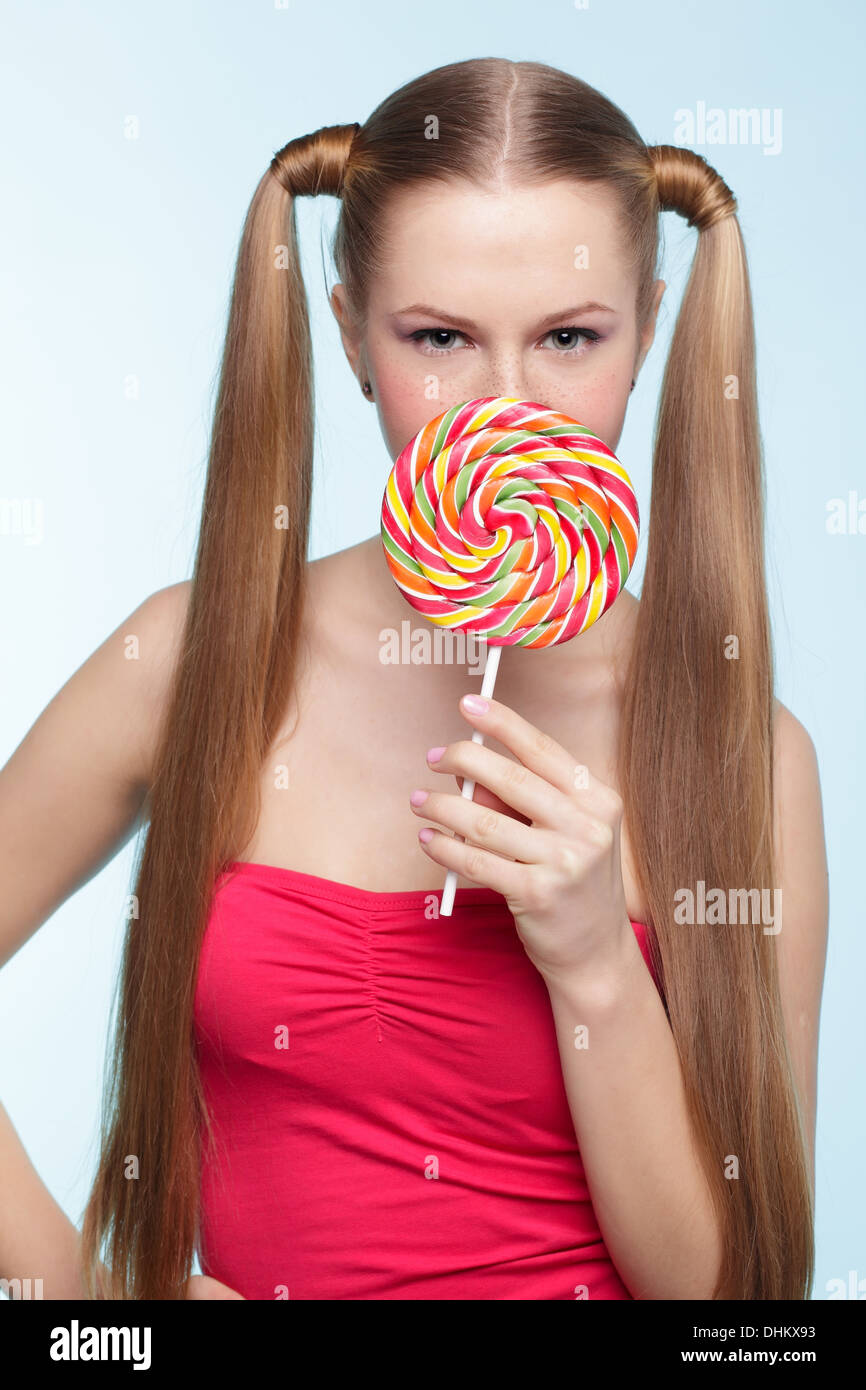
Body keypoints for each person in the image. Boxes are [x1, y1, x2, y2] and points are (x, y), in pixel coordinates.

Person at [0, 58, 827, 1301]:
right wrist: (90, 1297)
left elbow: (734, 1307)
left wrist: (593, 954)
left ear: (648, 331)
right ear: (348, 336)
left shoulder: (745, 754)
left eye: (568, 339)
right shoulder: (193, 661)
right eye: (437, 338)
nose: (505, 406)